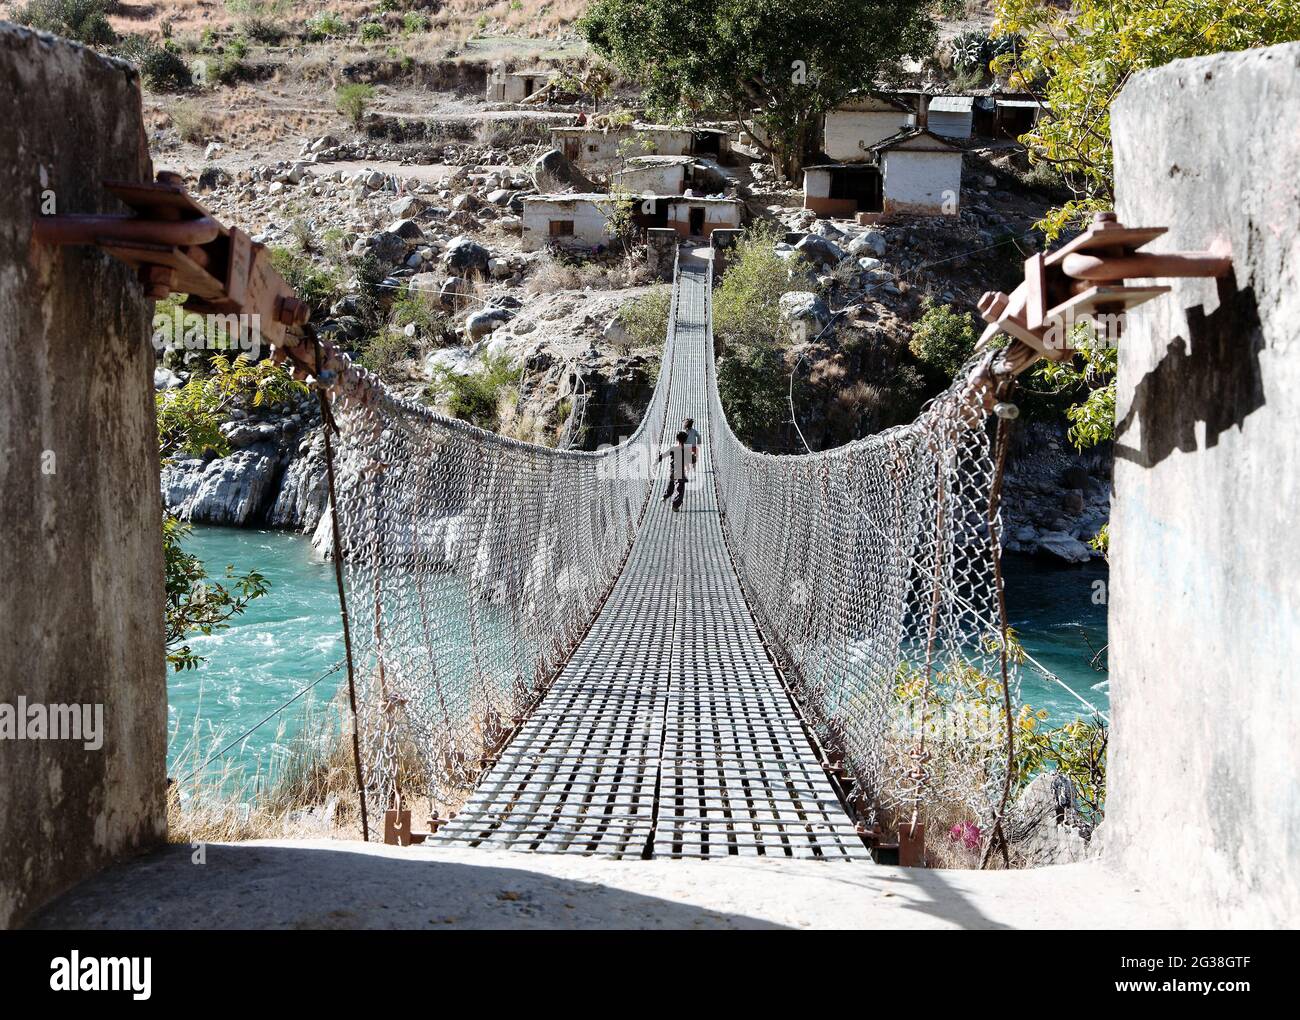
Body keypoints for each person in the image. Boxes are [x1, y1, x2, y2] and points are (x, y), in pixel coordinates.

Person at [658, 430, 690, 512]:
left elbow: (663, 455)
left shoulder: (673, 448)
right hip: (680, 471)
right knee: (680, 490)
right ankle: (675, 505)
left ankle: (664, 497)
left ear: (677, 439)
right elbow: (691, 460)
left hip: (672, 470)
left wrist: (657, 458)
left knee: (671, 486)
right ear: (686, 440)